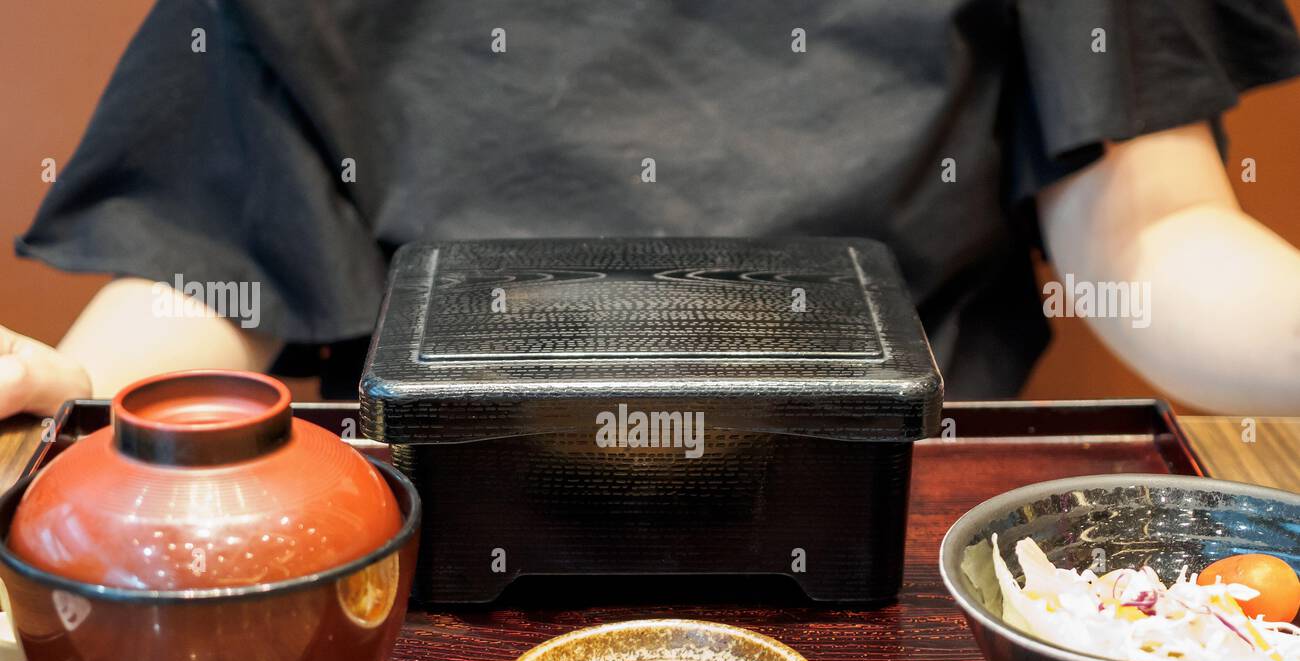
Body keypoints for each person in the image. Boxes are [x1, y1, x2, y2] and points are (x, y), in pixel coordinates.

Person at [7, 0, 1300, 417]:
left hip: (896, 527)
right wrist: (65, 392)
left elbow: (1156, 235)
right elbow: (224, 266)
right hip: (424, 557)